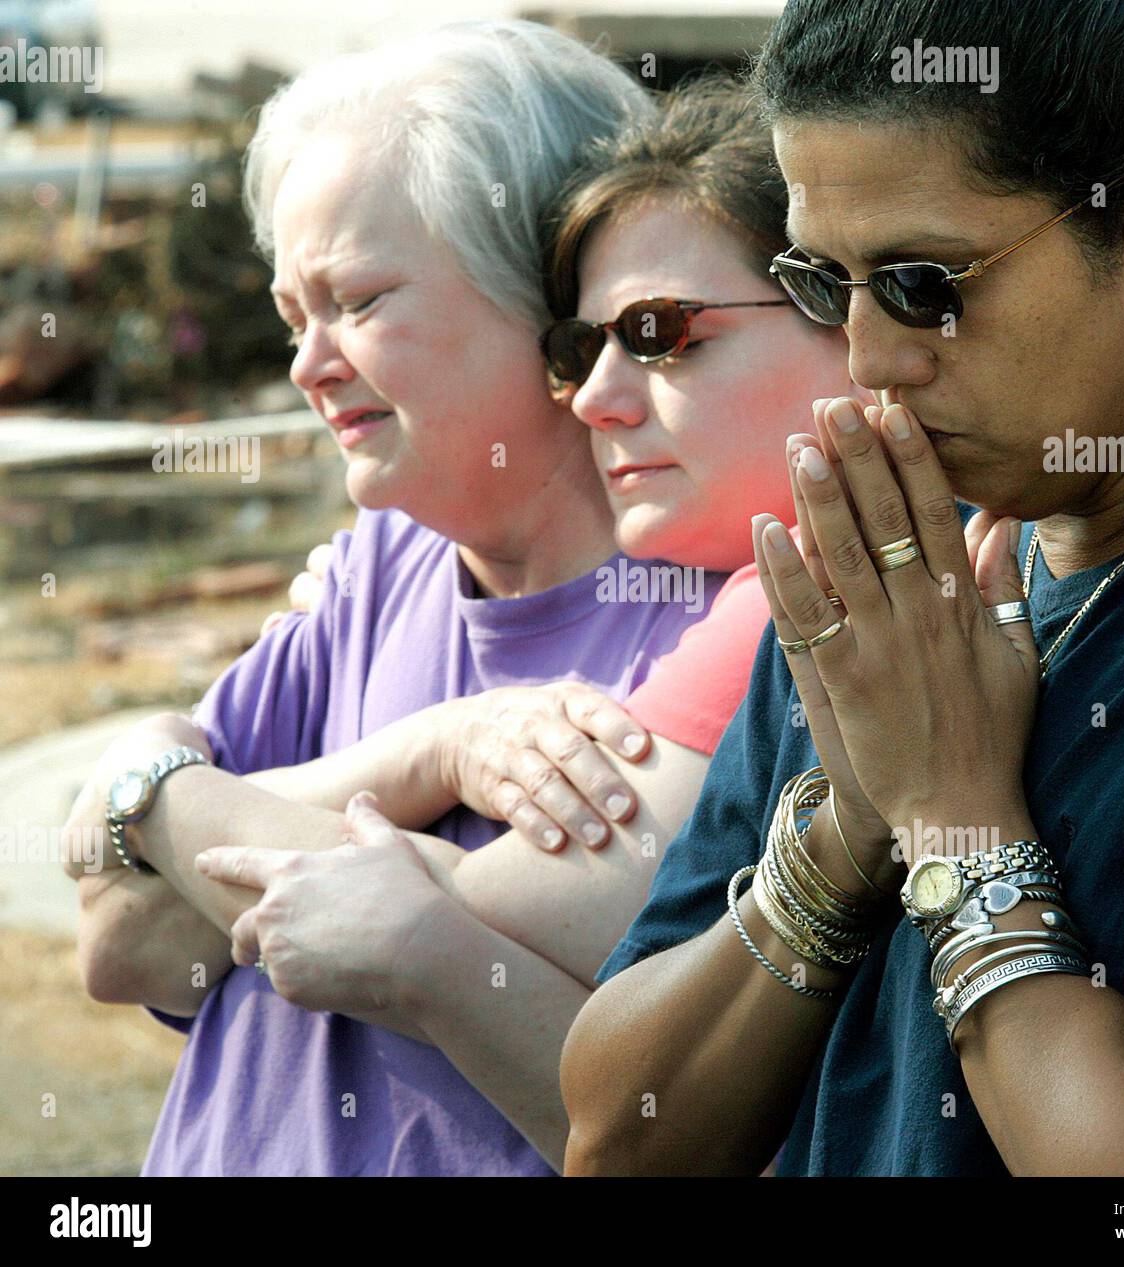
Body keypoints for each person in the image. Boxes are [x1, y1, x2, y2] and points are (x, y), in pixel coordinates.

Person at [64, 67, 862, 1174]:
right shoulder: (381, 565)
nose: (307, 364)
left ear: (530, 288)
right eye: (294, 315)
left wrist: (150, 792)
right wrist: (420, 758)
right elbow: (127, 942)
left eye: (359, 302)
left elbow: (663, 1130)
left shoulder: (728, 600)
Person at [562, 0, 1124, 1177]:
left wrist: (957, 817)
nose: (869, 358)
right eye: (824, 282)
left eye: (924, 281)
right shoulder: (889, 568)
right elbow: (615, 1142)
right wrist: (851, 829)